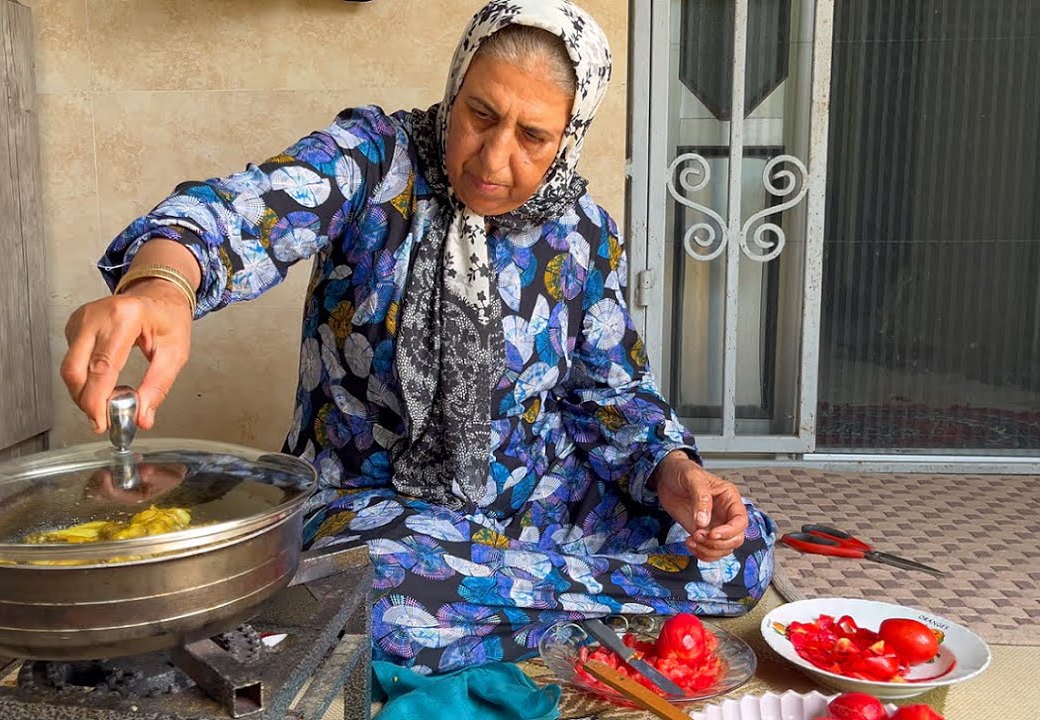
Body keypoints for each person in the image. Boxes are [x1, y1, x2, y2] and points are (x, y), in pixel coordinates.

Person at [61, 0, 777, 673]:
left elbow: (612, 397)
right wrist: (164, 282)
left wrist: (674, 473)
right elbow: (249, 209)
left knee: (739, 550)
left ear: (569, 136)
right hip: (378, 512)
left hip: (539, 508)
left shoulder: (584, 232)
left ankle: (479, 603)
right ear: (456, 83)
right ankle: (558, 611)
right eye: (480, 114)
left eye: (533, 138)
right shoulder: (375, 159)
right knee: (390, 586)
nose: (495, 161)